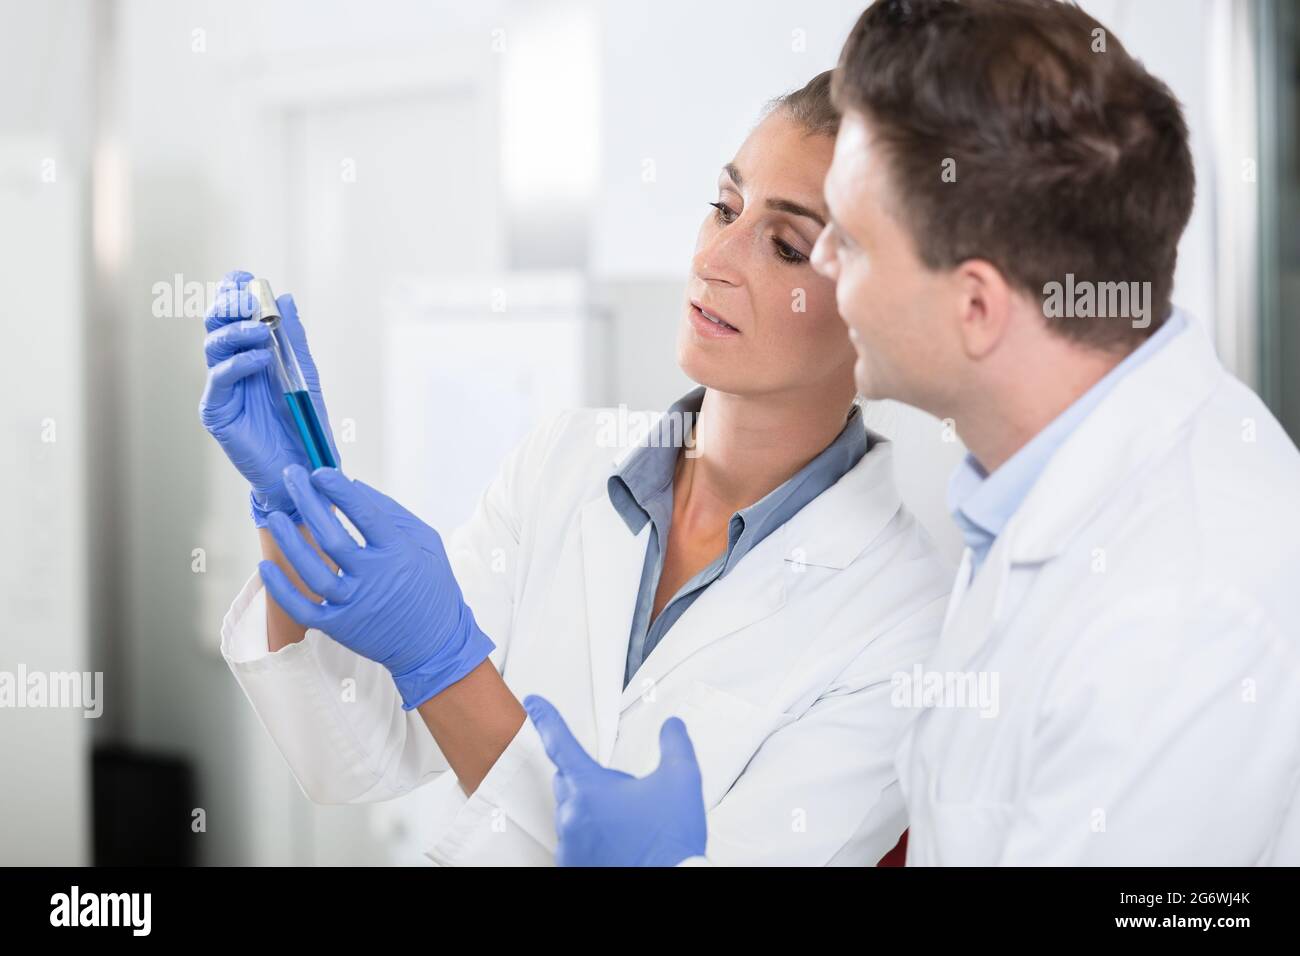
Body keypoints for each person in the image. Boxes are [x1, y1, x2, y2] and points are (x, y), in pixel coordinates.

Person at [524, 0, 1300, 866]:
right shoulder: (1032, 493)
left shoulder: (1180, 613)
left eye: (845, 243)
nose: (820, 269)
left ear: (975, 306)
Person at [199, 72, 954, 866]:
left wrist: (444, 661)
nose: (716, 257)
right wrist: (290, 500)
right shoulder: (563, 462)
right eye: (724, 208)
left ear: (880, 311)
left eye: (787, 246)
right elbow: (357, 746)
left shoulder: (906, 629)